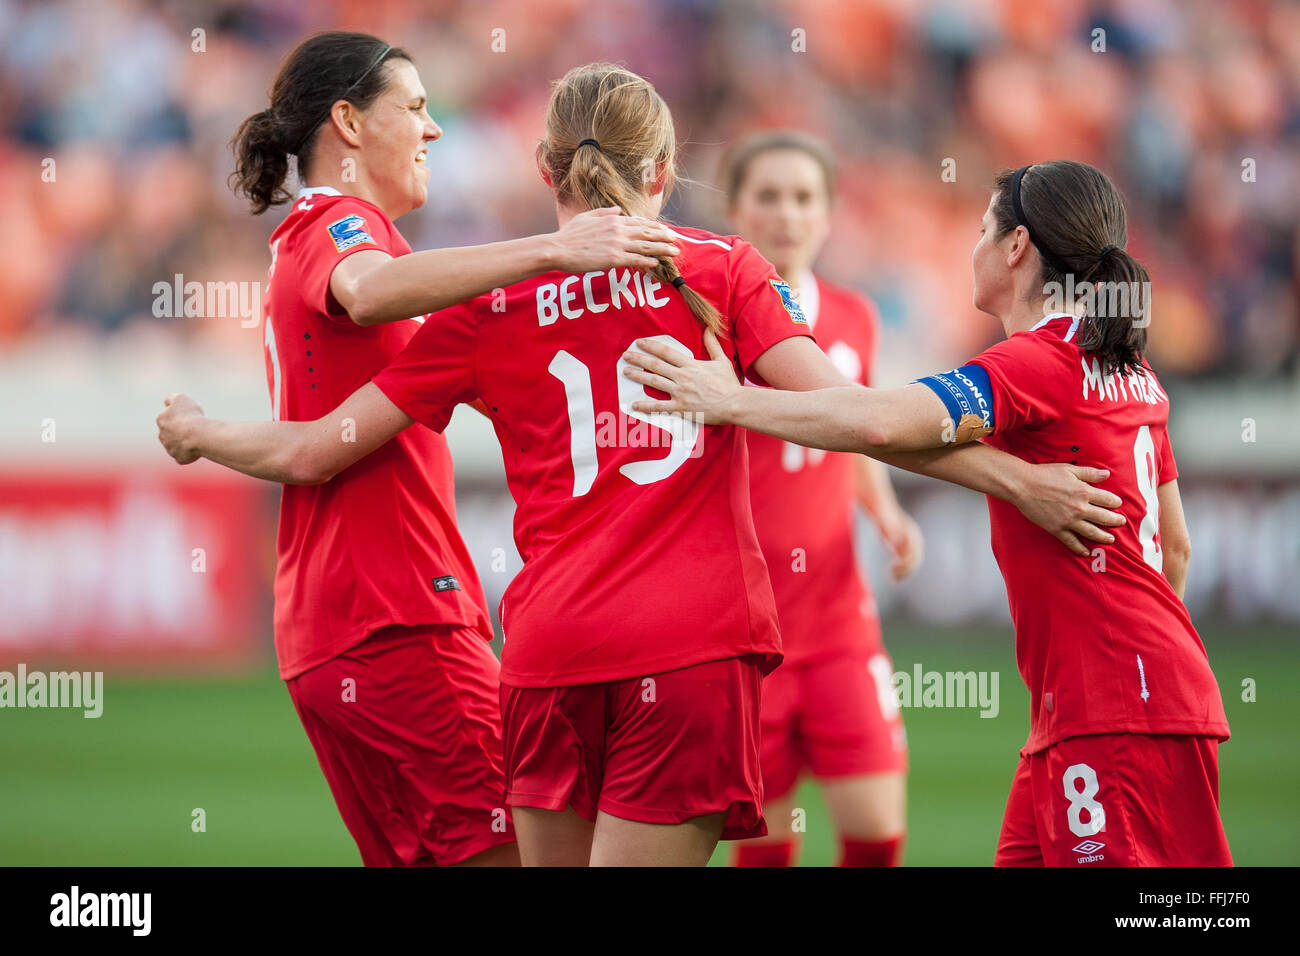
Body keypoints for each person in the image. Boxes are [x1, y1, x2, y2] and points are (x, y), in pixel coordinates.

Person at [159, 68, 1124, 866]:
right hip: (690, 649)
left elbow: (313, 448)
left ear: (548, 170)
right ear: (663, 167)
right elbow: (863, 419)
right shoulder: (720, 269)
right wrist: (1016, 479)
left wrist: (204, 432)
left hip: (547, 658)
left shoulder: (485, 301)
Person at [621, 160, 1233, 866]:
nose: (970, 246)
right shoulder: (1127, 367)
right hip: (1113, 702)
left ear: (1016, 248)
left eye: (981, 229)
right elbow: (1175, 548)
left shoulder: (1036, 362)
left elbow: (880, 424)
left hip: (1113, 714)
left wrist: (727, 399)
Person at [221, 32, 679, 867]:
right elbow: (366, 294)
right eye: (418, 108)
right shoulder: (342, 224)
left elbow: (349, 425)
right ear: (350, 123)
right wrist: (551, 249)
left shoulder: (308, 235)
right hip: (397, 615)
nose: (434, 131)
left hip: (334, 629)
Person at [720, 131, 916, 867]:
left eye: (804, 197)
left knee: (875, 835)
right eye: (766, 195)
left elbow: (856, 428)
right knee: (766, 850)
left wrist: (885, 509)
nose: (786, 213)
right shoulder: (714, 317)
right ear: (736, 209)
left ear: (829, 214)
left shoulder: (855, 316)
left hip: (839, 621)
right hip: (750, 631)